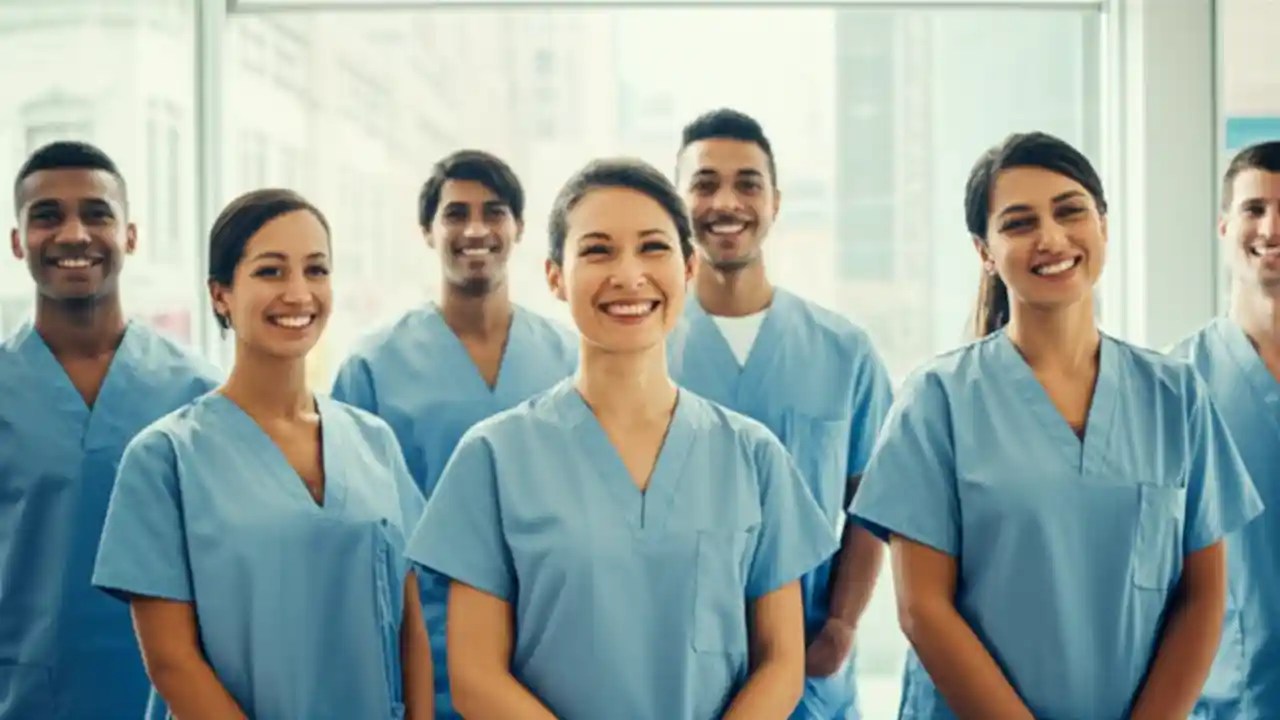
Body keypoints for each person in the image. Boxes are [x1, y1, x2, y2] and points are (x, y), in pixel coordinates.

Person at [849, 131, 1262, 719]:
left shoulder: (1176, 397)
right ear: (985, 251)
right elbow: (923, 610)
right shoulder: (937, 400)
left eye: (1070, 211)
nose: (1051, 237)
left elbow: (1202, 597)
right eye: (1018, 223)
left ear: (1103, 227)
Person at [405, 157, 837, 719]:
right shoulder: (494, 457)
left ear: (687, 267)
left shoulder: (752, 457)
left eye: (653, 247)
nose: (629, 275)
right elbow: (475, 676)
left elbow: (781, 662)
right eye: (597, 250)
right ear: (556, 277)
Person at [91, 188, 434, 719]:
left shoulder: (373, 442)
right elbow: (172, 661)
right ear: (221, 294)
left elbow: (411, 627)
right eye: (271, 271)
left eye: (316, 270)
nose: (299, 292)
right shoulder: (165, 458)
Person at [330, 149, 576, 718]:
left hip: (546, 642)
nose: (475, 229)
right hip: (422, 644)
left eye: (494, 212)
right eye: (455, 213)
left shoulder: (568, 359)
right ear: (427, 231)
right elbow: (350, 533)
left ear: (517, 229)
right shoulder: (372, 366)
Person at [666, 108, 892, 720]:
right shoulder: (643, 351)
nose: (726, 201)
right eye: (705, 183)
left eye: (747, 183)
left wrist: (843, 623)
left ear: (775, 201)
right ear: (677, 199)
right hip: (672, 668)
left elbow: (872, 504)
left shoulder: (844, 351)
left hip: (810, 674)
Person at [0, 140, 219, 719]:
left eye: (97, 214)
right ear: (18, 241)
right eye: (47, 216)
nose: (73, 234)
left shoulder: (199, 393)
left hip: (170, 697)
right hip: (26, 698)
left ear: (130, 236)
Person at [1175, 140, 1280, 720]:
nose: (1272, 226)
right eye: (1255, 208)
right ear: (1223, 227)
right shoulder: (1175, 385)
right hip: (1227, 701)